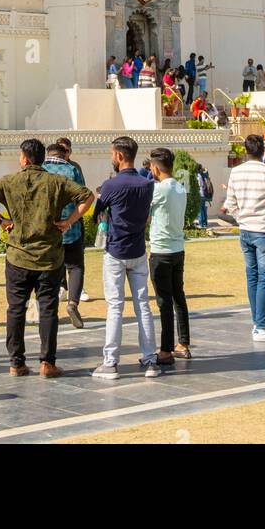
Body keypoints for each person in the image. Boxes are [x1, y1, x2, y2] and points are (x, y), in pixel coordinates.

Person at [0, 139, 92, 378]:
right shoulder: (57, 182)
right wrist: (69, 222)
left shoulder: (10, 180)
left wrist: (1, 220)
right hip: (49, 256)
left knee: (16, 309)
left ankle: (16, 362)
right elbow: (87, 196)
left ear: (25, 158)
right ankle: (47, 363)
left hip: (18, 255)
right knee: (48, 309)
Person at [92, 135, 159, 380]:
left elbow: (97, 212)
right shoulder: (147, 184)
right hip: (138, 249)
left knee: (115, 306)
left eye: (112, 154)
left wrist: (102, 202)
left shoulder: (111, 185)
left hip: (116, 250)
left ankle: (111, 362)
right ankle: (150, 359)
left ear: (119, 156)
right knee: (143, 305)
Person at [222, 133, 265, 342]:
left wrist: (242, 218)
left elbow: (230, 203)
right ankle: (260, 326)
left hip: (246, 230)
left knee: (253, 277)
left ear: (245, 151)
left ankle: (257, 323)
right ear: (264, 152)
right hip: (264, 231)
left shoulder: (236, 172)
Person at [147, 147, 190, 365]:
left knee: (164, 302)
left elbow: (144, 213)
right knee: (178, 298)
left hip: (161, 250)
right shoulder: (180, 188)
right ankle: (183, 343)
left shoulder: (159, 190)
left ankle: (165, 350)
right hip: (177, 248)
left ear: (155, 168)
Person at [42, 143, 87, 328]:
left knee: (49, 270)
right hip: (71, 228)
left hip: (47, 231)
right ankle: (72, 303)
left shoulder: (41, 170)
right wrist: (71, 220)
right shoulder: (72, 170)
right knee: (75, 267)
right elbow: (84, 197)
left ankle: (49, 309)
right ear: (65, 155)